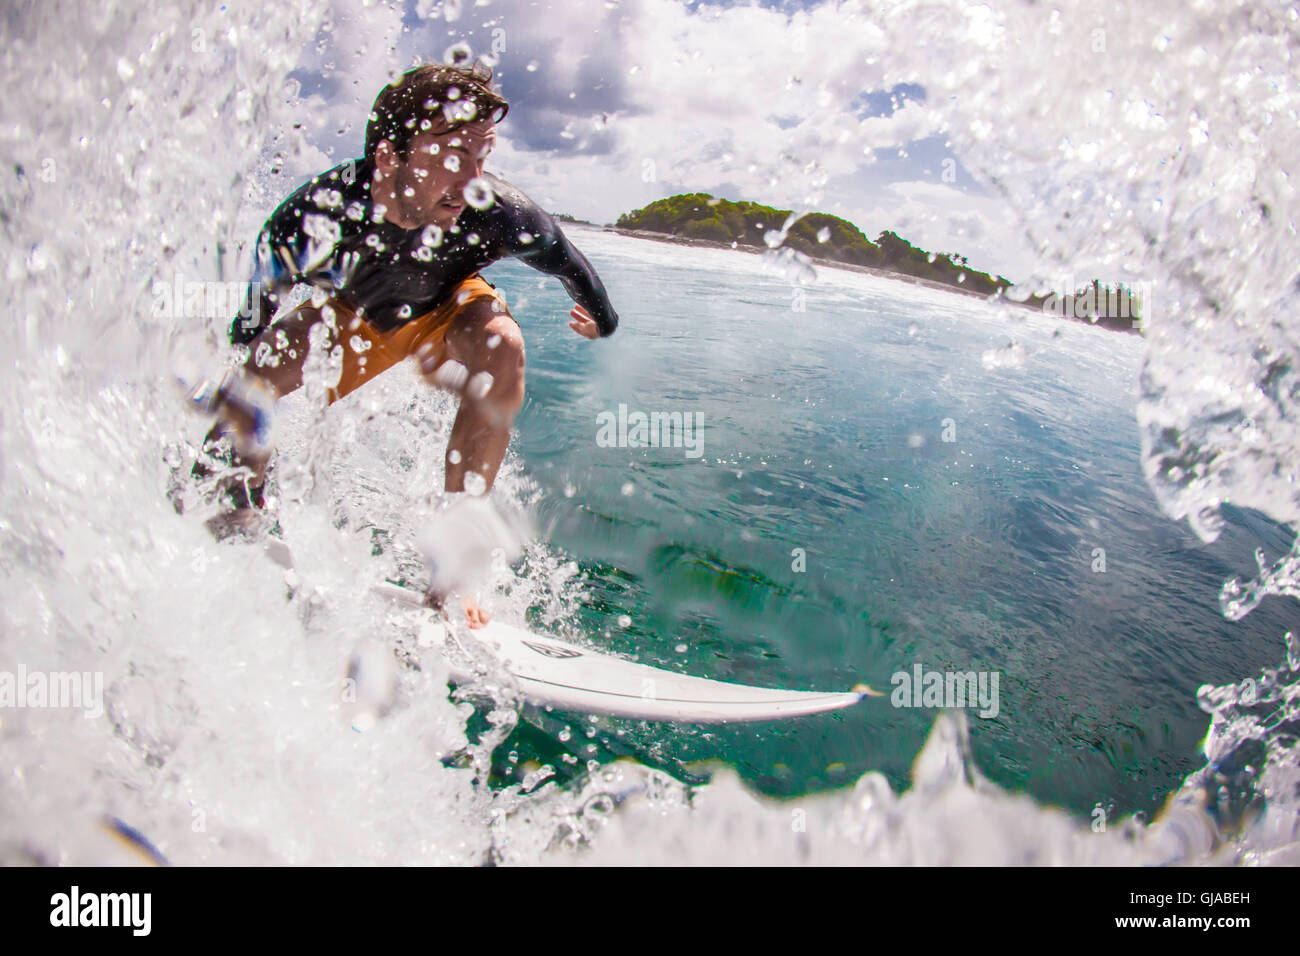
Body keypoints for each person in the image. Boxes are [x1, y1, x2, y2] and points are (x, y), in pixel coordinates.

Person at [193, 61, 619, 628]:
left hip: (448, 309)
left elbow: (574, 268)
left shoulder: (498, 213)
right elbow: (256, 304)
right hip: (355, 314)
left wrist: (603, 324)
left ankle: (453, 576)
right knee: (254, 380)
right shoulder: (321, 211)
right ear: (390, 156)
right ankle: (236, 519)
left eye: (481, 157)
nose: (472, 179)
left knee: (502, 346)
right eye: (451, 157)